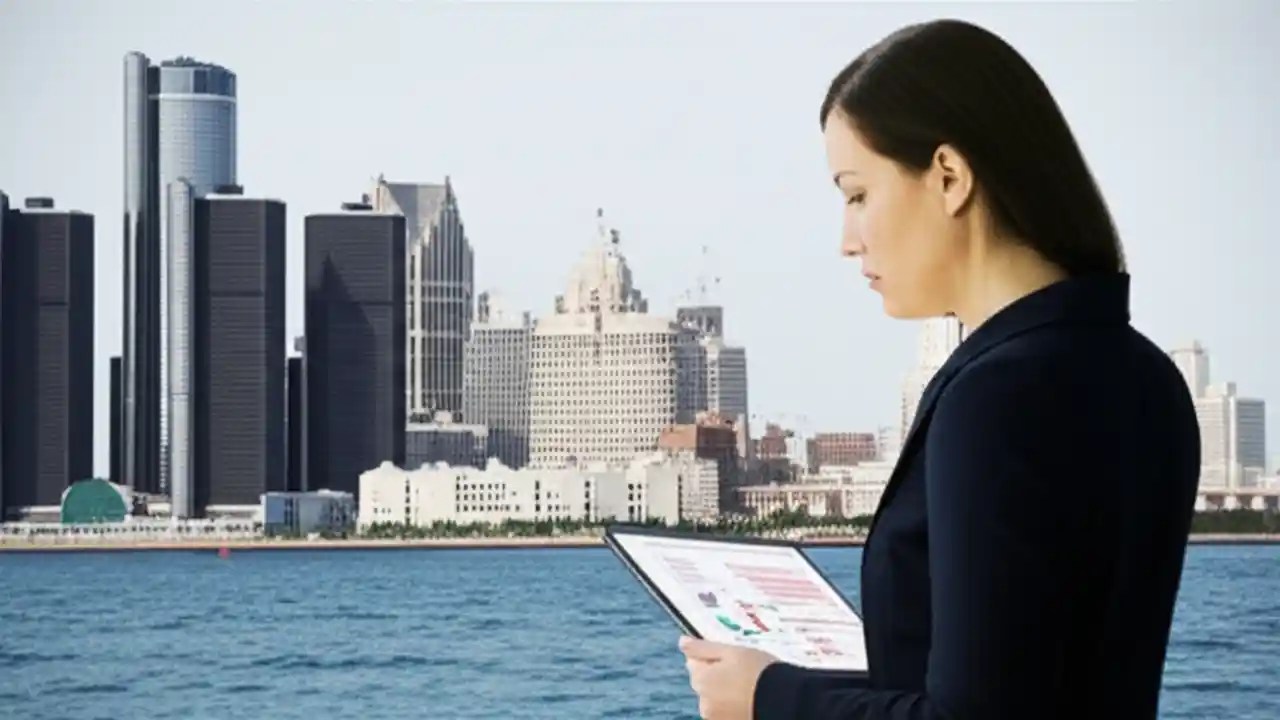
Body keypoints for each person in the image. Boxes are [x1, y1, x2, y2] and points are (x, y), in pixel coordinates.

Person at [678, 18, 1201, 720]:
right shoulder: (1146, 378)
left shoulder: (996, 395)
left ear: (949, 177)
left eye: (857, 193)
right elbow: (1036, 685)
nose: (846, 238)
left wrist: (769, 697)